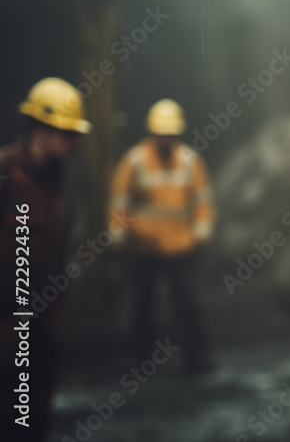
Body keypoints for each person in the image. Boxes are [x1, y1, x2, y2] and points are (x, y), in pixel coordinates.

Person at [1, 78, 90, 441]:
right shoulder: (4, 173)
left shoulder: (59, 182)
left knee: (36, 421)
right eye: (67, 134)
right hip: (6, 327)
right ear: (40, 130)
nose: (73, 143)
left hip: (44, 327)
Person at [108, 98, 215, 373]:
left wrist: (200, 232)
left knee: (187, 301)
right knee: (143, 303)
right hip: (144, 245)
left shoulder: (190, 161)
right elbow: (120, 200)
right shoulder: (135, 160)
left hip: (180, 245)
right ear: (152, 134)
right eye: (161, 134)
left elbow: (202, 200)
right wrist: (117, 235)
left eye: (170, 134)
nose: (166, 140)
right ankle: (143, 359)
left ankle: (196, 356)